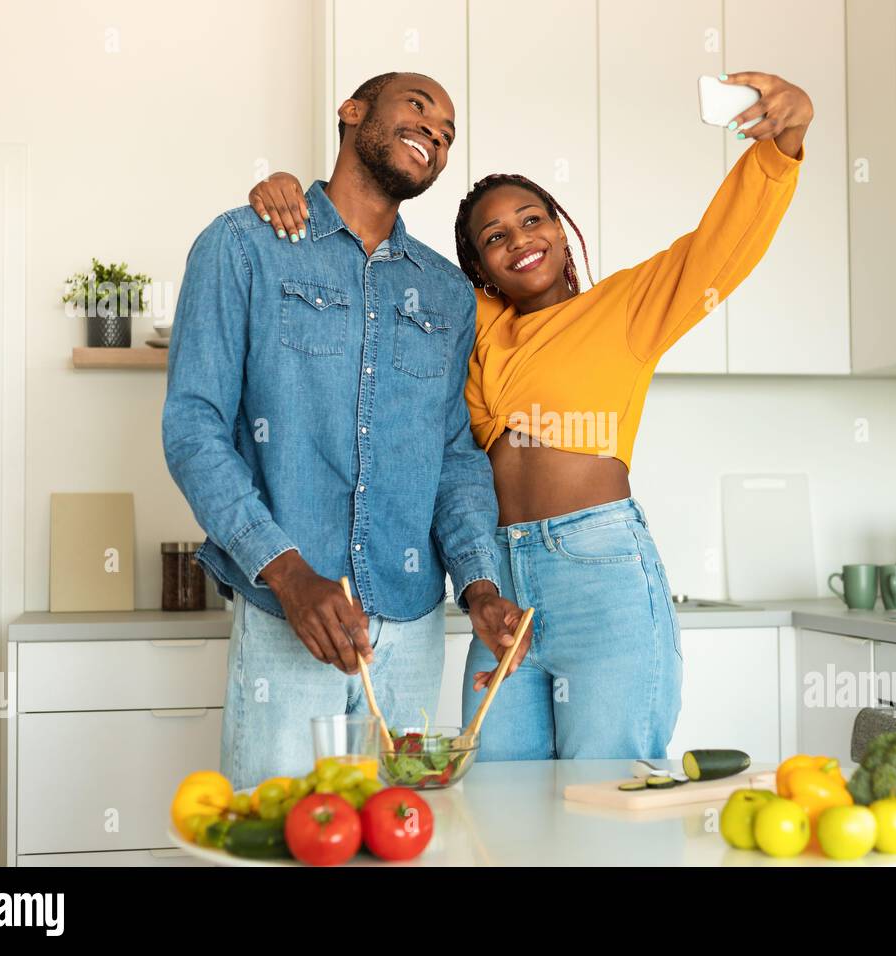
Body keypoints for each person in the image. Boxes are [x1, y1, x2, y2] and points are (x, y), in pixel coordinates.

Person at [248, 69, 812, 760]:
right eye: (494, 237)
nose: (518, 240)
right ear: (481, 268)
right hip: (497, 583)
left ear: (562, 232)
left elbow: (723, 244)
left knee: (608, 794)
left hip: (598, 569)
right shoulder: (470, 318)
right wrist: (289, 199)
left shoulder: (625, 309)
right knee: (495, 798)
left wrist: (785, 137)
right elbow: (372, 255)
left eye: (532, 220)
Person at [164, 72, 530, 789]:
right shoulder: (244, 246)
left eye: (448, 133)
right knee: (277, 838)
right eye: (419, 109)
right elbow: (192, 427)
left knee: (400, 840)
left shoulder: (447, 292)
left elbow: (453, 458)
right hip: (285, 617)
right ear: (353, 112)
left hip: (414, 628)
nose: (434, 132)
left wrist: (480, 585)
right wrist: (289, 573)